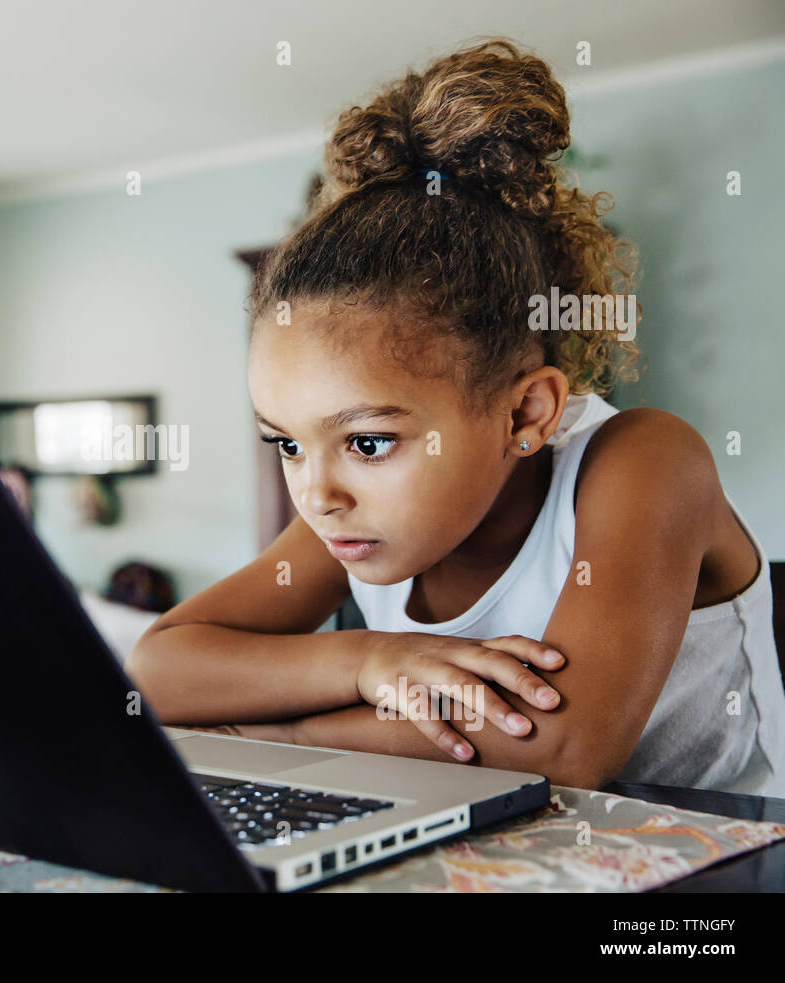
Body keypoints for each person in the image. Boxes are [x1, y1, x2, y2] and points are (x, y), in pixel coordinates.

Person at [126, 38, 785, 795]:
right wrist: (371, 661)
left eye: (368, 441)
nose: (316, 493)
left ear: (526, 412)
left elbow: (560, 750)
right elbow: (158, 668)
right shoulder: (352, 514)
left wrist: (276, 732)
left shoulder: (644, 460)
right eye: (286, 442)